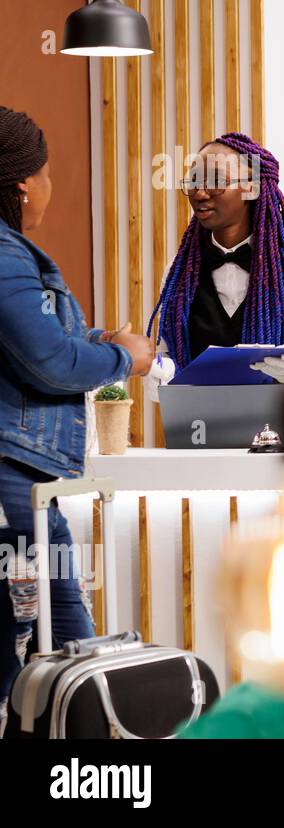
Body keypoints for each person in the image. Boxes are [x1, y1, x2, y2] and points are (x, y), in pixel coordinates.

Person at [0, 107, 153, 716]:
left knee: (63, 638)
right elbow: (47, 362)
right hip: (13, 482)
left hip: (25, 480)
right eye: (47, 174)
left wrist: (100, 344)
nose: (50, 188)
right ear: (22, 185)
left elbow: (33, 345)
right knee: (48, 638)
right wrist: (124, 362)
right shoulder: (7, 254)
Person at [147, 133, 284, 396]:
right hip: (199, 430)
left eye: (216, 181)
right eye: (193, 181)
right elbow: (168, 363)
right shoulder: (179, 272)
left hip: (279, 431)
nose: (200, 193)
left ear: (252, 187)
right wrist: (159, 377)